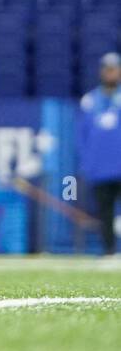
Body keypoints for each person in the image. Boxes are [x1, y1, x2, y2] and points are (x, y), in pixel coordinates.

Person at [78, 53, 121, 256]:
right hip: (101, 169)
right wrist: (87, 165)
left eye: (114, 68)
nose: (110, 72)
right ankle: (109, 250)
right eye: (107, 68)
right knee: (105, 212)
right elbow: (82, 136)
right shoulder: (90, 100)